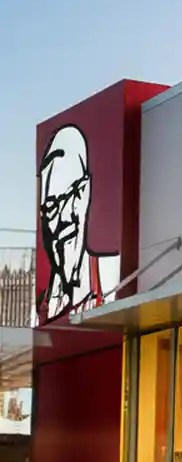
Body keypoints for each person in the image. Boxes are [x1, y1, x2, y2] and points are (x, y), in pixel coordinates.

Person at [37, 125, 120, 321]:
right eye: (49, 208)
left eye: (73, 195)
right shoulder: (43, 306)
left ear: (85, 192)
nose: (61, 219)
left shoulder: (114, 277)